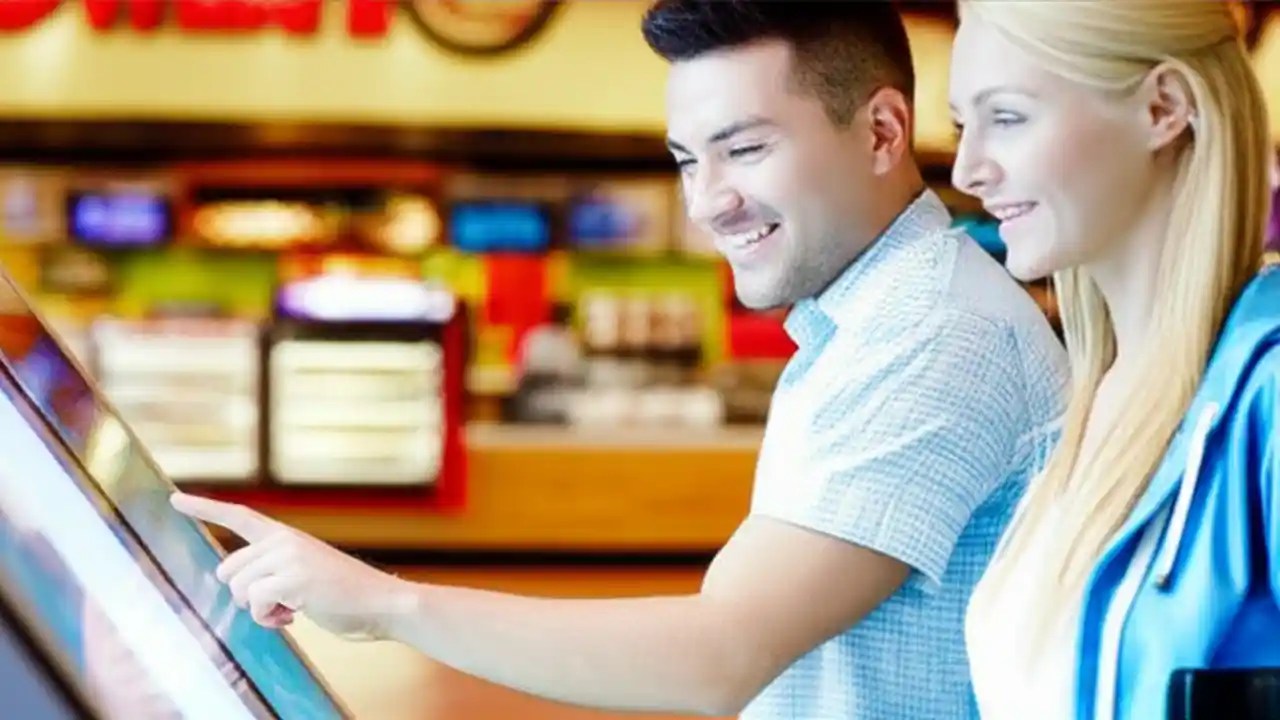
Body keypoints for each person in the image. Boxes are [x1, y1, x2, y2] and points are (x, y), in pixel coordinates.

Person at [172, 2, 1068, 717]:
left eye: (747, 148)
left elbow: (718, 657)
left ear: (881, 132)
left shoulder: (933, 332)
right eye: (687, 159)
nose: (709, 201)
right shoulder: (876, 317)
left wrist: (383, 603)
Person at [948, 2, 1280, 719]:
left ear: (1164, 107)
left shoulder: (1270, 391)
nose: (969, 168)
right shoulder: (1086, 400)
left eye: (1006, 117)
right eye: (960, 125)